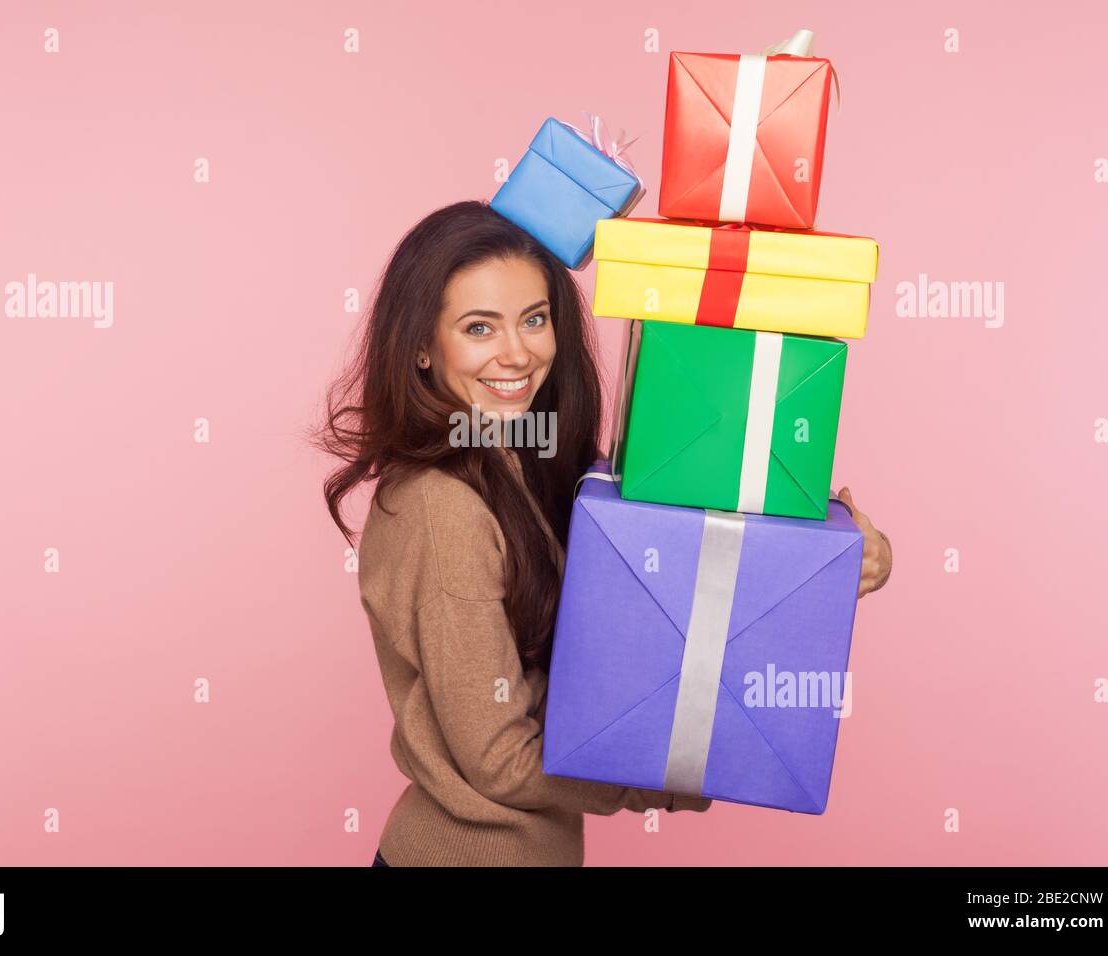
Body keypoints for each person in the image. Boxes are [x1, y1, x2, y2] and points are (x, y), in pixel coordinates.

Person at [315, 200, 893, 867]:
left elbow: (672, 564)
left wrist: (838, 559)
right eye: (480, 328)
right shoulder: (438, 509)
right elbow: (500, 761)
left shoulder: (523, 455)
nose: (518, 352)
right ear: (420, 347)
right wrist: (679, 772)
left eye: (535, 319)